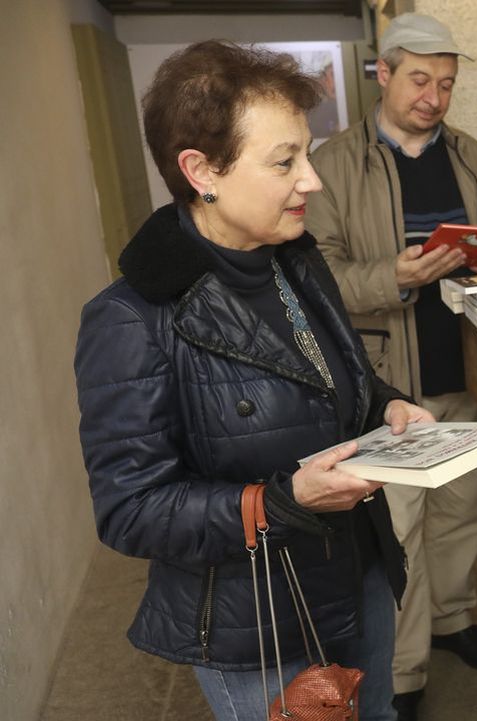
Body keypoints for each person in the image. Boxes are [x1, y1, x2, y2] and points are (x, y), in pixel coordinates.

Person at [73, 41, 439, 721]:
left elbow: (335, 378)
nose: (313, 181)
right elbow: (130, 509)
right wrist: (280, 500)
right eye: (284, 162)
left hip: (356, 571)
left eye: (307, 154)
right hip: (256, 618)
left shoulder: (294, 261)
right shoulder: (132, 318)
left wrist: (387, 407)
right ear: (201, 170)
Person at [305, 12, 477, 717]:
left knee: (466, 511)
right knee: (397, 533)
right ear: (384, 73)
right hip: (389, 381)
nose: (434, 97)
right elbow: (314, 278)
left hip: (470, 369)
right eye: (420, 80)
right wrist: (391, 276)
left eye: (446, 84)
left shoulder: (469, 154)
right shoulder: (336, 163)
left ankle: (452, 618)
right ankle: (402, 674)